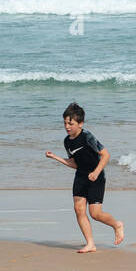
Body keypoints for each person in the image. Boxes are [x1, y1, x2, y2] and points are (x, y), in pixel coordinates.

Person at [44, 102, 125, 253]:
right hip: (80, 176)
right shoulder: (67, 141)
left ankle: (117, 225)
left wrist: (96, 172)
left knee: (95, 214)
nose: (67, 126)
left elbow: (106, 155)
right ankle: (90, 244)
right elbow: (74, 163)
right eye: (65, 123)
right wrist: (55, 157)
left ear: (80, 123)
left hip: (97, 177)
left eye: (71, 123)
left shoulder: (87, 136)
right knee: (79, 209)